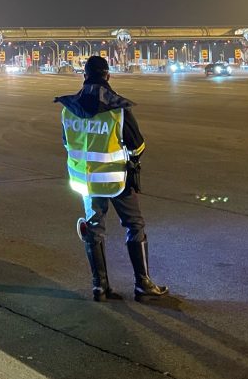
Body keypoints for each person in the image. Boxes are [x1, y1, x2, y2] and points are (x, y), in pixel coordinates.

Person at [55, 55, 168, 302]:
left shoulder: (68, 109)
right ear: (108, 75)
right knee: (134, 225)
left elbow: (66, 142)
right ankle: (142, 284)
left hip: (85, 181)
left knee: (94, 229)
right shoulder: (117, 109)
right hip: (116, 180)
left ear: (84, 76)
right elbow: (137, 146)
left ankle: (99, 286)